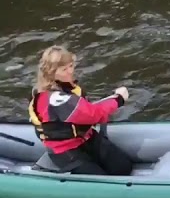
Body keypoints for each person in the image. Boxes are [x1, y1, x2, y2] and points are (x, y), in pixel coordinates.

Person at [27, 45, 135, 175]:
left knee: (123, 167)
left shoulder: (69, 88)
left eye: (71, 66)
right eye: (64, 69)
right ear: (51, 72)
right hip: (65, 150)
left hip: (86, 138)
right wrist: (118, 99)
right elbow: (92, 114)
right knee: (102, 182)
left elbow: (88, 112)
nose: (70, 72)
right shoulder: (55, 98)